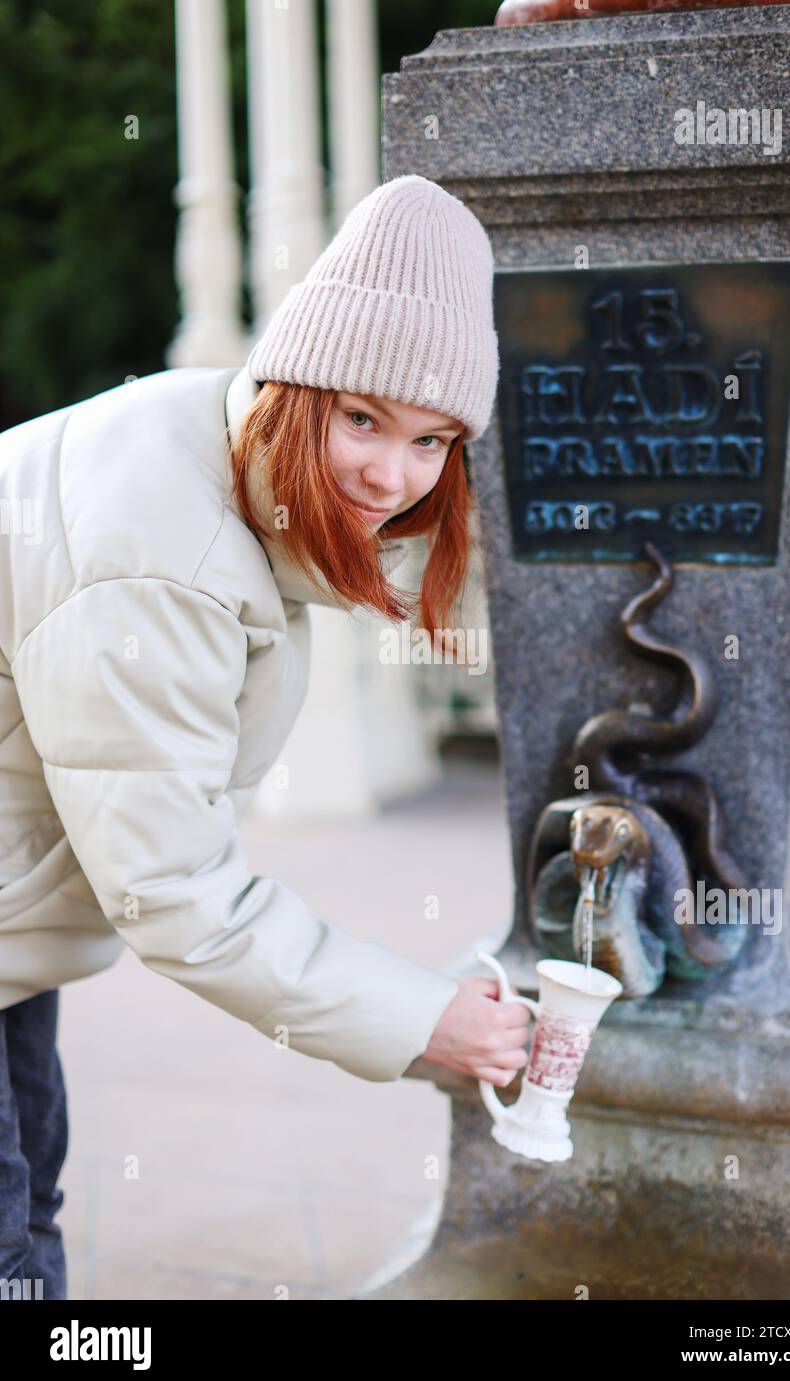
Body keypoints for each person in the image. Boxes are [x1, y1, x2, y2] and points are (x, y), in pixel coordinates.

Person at [0, 175, 533, 1299]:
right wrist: (417, 1017)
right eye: (362, 417)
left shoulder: (216, 451)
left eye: (434, 439)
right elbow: (175, 891)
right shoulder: (162, 553)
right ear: (296, 385)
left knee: (25, 1208)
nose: (394, 475)